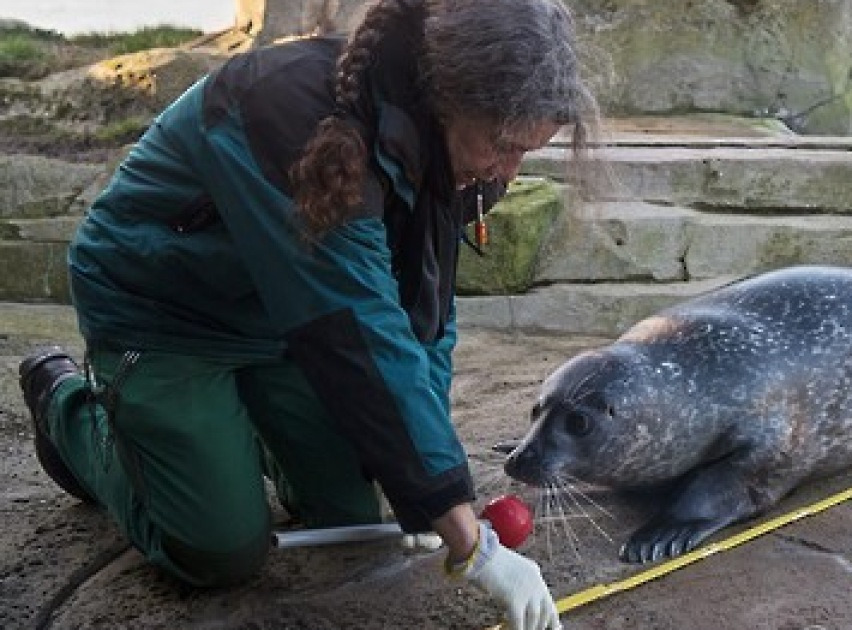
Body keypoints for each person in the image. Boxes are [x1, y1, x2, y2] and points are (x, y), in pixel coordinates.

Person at [18, 0, 596, 627]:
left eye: (525, 154)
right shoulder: (290, 112)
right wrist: (472, 541)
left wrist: (425, 485)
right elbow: (356, 327)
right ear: (449, 96)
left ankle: (233, 436)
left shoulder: (452, 147)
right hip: (167, 312)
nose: (505, 172)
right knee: (220, 549)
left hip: (282, 323)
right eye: (505, 146)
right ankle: (66, 407)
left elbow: (423, 315)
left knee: (351, 516)